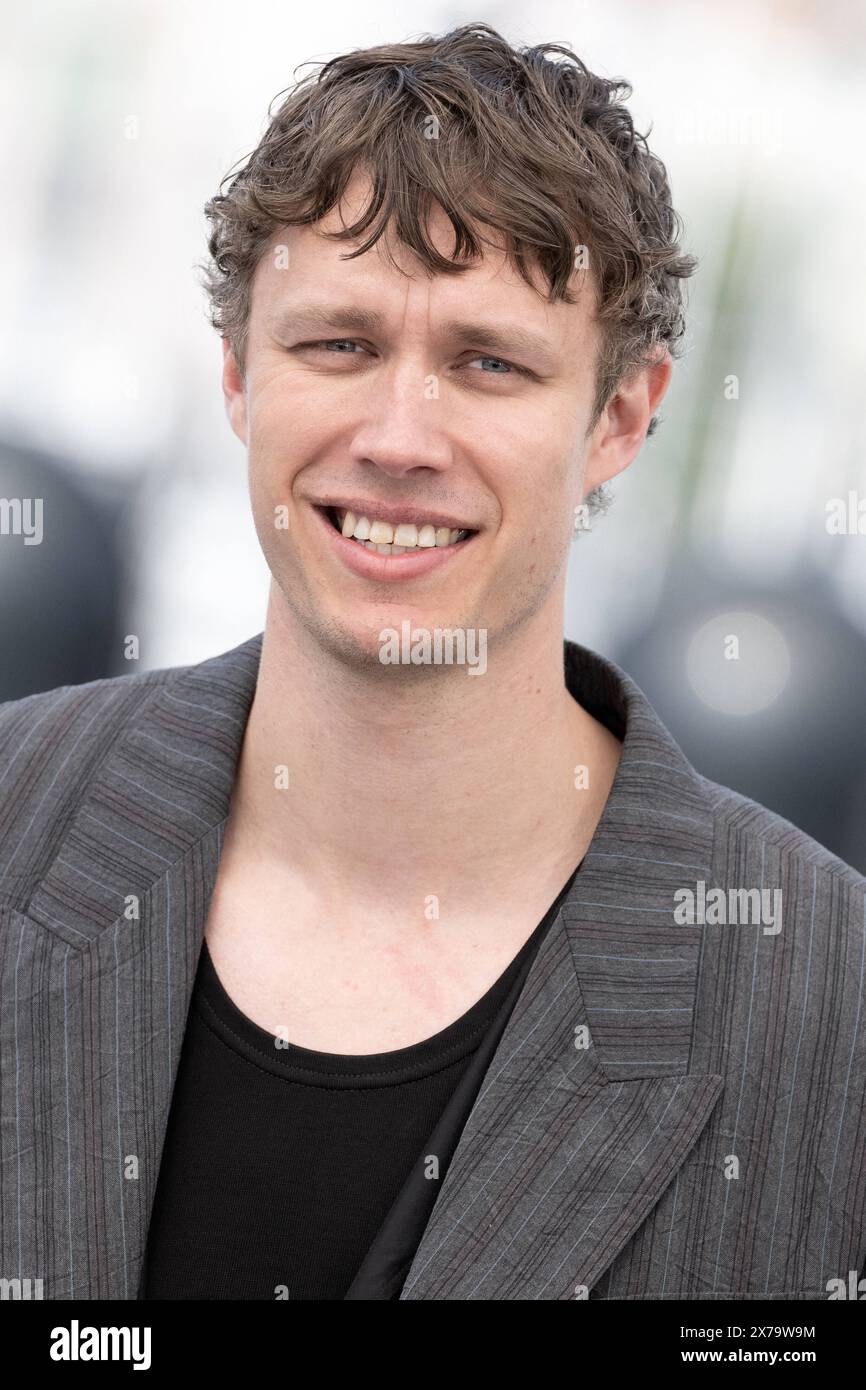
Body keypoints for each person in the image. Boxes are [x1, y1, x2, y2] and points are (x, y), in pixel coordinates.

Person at [1, 23, 863, 1303]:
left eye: (487, 363)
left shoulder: (826, 1007)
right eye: (338, 343)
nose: (399, 436)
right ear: (238, 374)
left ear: (619, 417)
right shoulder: (17, 816)